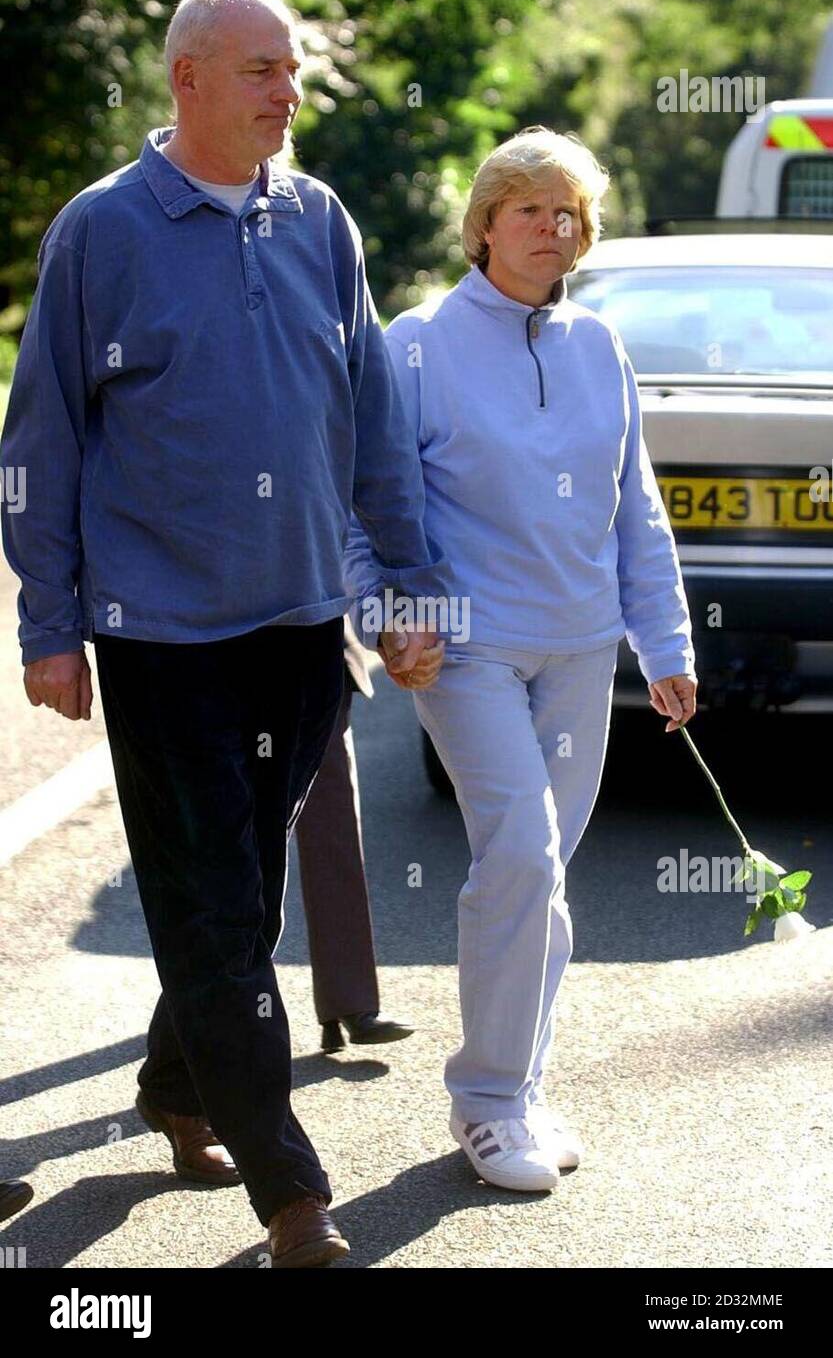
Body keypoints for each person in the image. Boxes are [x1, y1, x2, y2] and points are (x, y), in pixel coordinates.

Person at [0, 0, 446, 1266]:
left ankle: (181, 1088)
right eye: (259, 70)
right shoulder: (102, 233)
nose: (285, 93)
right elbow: (42, 442)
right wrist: (50, 621)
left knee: (234, 901)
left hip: (303, 626)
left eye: (290, 71)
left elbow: (368, 425)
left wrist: (403, 586)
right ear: (187, 78)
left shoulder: (321, 222)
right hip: (161, 637)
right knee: (208, 903)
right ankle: (290, 1192)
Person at [345, 127, 697, 1192]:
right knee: (521, 858)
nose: (555, 229)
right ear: (484, 224)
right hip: (467, 643)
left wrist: (664, 640)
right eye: (531, 210)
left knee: (540, 877)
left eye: (571, 215)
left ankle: (522, 1084)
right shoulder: (416, 344)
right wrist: (382, 615)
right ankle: (488, 1100)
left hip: (581, 646)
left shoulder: (598, 345)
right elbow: (368, 506)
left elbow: (633, 505)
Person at [294, 617, 415, 1053]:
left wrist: (391, 617)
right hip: (214, 650)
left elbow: (369, 546)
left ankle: (350, 1002)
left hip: (316, 647)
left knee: (333, 831)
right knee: (229, 849)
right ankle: (203, 1008)